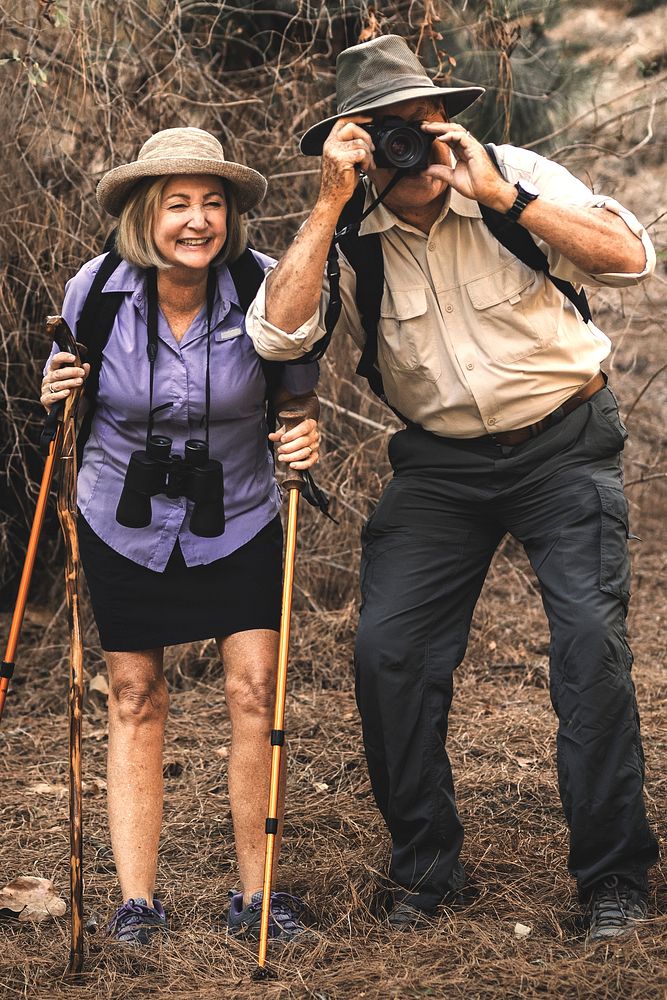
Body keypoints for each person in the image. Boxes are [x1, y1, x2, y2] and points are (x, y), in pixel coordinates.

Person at [246, 35, 660, 941]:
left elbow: (629, 260)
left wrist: (503, 196)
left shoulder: (509, 175)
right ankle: (427, 873)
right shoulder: (349, 233)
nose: (411, 148)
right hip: (439, 463)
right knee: (387, 653)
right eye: (383, 134)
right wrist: (326, 204)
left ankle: (613, 881)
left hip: (563, 441)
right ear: (351, 146)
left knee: (588, 646)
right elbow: (278, 339)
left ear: (447, 121)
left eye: (422, 126)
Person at [40, 127, 321, 945]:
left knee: (250, 693)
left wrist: (302, 439)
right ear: (143, 215)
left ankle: (255, 897)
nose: (197, 221)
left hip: (237, 512)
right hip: (120, 521)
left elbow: (296, 406)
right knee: (134, 698)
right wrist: (51, 388)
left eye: (213, 204)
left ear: (230, 216)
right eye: (178, 204)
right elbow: (64, 386)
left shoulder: (269, 288)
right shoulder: (94, 290)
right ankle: (136, 905)